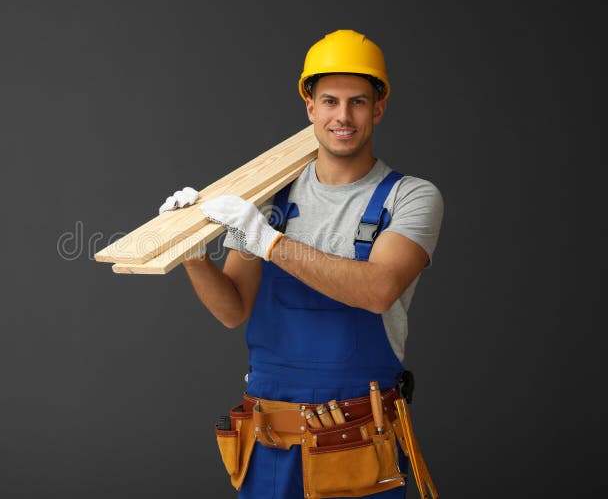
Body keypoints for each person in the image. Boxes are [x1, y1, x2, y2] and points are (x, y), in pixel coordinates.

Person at [161, 30, 443, 498]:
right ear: (310, 107)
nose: (343, 117)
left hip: (356, 446)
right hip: (269, 444)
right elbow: (233, 309)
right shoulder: (269, 197)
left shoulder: (409, 196)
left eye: (358, 102)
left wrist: (269, 241)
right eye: (330, 101)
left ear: (379, 108)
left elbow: (377, 290)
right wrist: (191, 253)